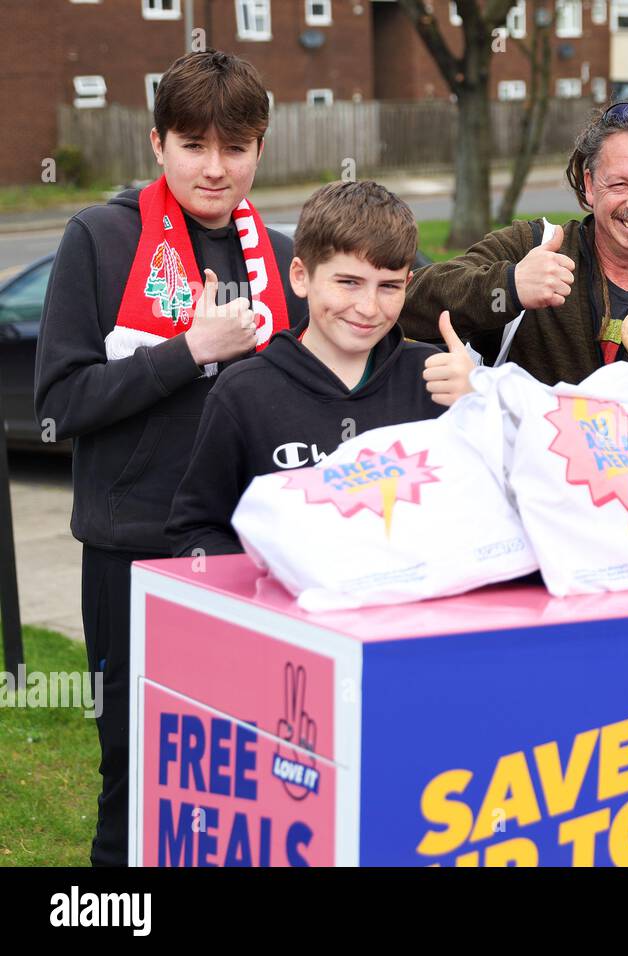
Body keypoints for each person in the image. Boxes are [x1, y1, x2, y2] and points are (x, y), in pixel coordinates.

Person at [34, 50, 306, 866]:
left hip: (250, 554)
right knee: (135, 774)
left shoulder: (281, 250)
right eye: (194, 145)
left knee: (243, 777)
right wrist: (187, 350)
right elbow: (58, 404)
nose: (215, 169)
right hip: (135, 557)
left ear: (261, 149)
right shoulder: (101, 237)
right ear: (158, 144)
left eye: (236, 147)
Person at [167, 180, 472, 558]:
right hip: (288, 613)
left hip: (411, 609)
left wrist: (479, 406)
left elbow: (481, 508)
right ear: (300, 276)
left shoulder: (438, 379)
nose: (368, 307)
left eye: (389, 287)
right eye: (348, 282)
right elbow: (196, 530)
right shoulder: (244, 393)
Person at [399, 102, 628, 397]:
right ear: (589, 185)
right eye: (619, 184)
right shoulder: (532, 248)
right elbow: (406, 304)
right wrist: (510, 287)